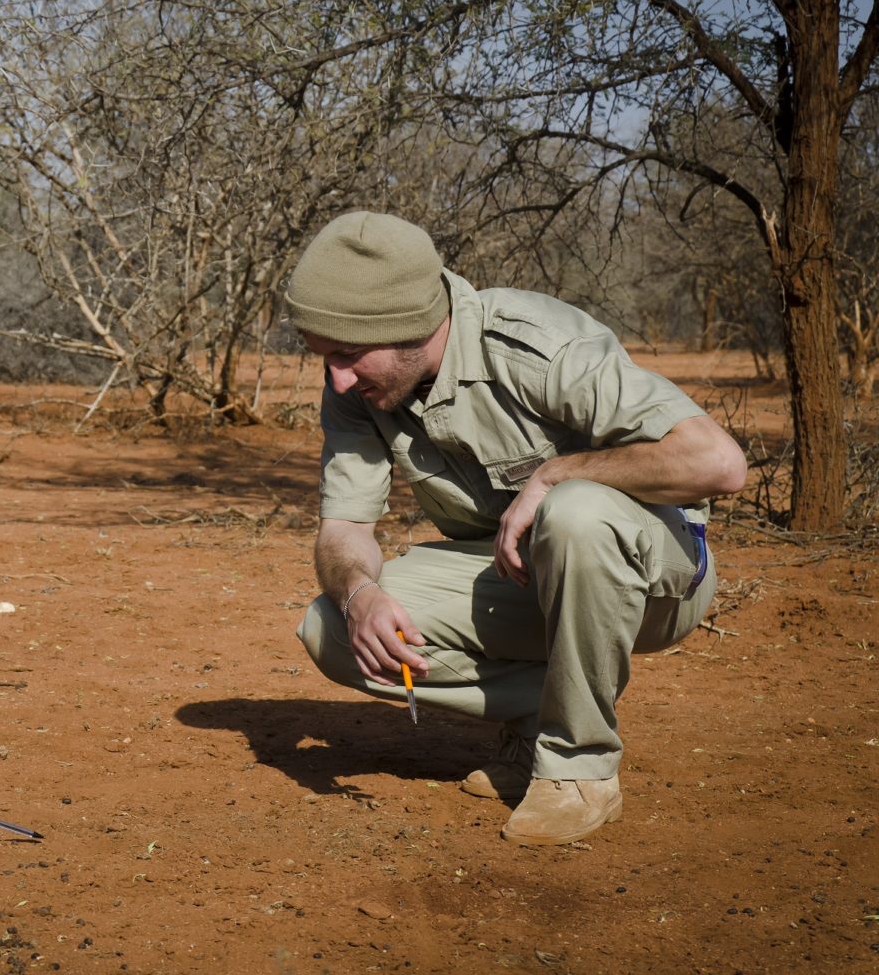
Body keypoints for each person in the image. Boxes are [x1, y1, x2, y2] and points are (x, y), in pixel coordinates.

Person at [286, 212, 746, 846]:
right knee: (332, 627)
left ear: (408, 327)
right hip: (522, 579)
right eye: (324, 356)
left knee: (577, 511)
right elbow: (343, 527)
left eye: (346, 355)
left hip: (656, 580)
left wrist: (559, 475)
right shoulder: (359, 389)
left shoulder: (537, 345)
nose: (336, 379)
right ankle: (544, 714)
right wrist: (360, 594)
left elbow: (719, 463)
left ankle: (580, 769)